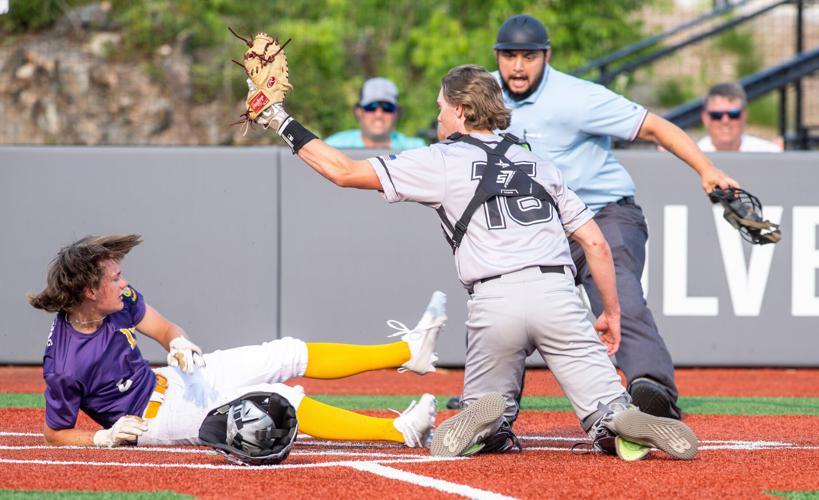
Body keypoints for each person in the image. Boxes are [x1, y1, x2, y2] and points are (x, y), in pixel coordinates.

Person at [250, 64, 699, 461]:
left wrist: (280, 120)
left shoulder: (440, 160)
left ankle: (486, 417)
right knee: (608, 410)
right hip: (558, 295)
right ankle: (619, 420)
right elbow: (596, 245)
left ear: (463, 110)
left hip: (494, 298)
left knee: (490, 423)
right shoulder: (538, 163)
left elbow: (342, 172)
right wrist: (612, 315)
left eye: (442, 106)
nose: (438, 115)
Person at [487, 14, 742, 422]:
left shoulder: (578, 98)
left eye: (529, 56)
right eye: (510, 56)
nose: (518, 66)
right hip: (540, 226)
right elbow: (448, 130)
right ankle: (489, 401)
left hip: (605, 213)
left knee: (619, 292)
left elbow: (655, 128)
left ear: (547, 56)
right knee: (506, 299)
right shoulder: (485, 96)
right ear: (497, 57)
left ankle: (652, 388)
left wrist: (706, 169)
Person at [28, 234, 443, 454]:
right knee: (277, 398)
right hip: (155, 421)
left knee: (285, 351)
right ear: (87, 291)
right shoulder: (65, 363)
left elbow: (167, 328)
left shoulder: (118, 302)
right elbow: (56, 433)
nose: (124, 283)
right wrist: (101, 438)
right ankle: (399, 431)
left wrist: (179, 345)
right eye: (113, 278)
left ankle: (409, 352)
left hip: (169, 381)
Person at [324, 77, 426, 150]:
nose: (379, 115)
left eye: (387, 108)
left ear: (397, 113)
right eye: (371, 107)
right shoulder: (332, 147)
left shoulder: (416, 149)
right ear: (359, 112)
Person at [698, 82, 783, 152]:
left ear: (744, 115)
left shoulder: (768, 152)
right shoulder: (693, 158)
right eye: (717, 115)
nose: (725, 121)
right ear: (705, 118)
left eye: (733, 114)